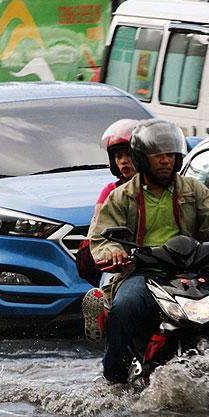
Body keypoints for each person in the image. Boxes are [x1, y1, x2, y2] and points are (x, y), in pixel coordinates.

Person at [88, 118, 209, 384]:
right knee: (125, 306)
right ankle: (113, 373)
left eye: (170, 155)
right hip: (144, 275)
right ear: (143, 158)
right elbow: (101, 238)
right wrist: (113, 251)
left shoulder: (194, 190)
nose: (166, 161)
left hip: (193, 274)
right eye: (159, 156)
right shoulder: (121, 196)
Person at [78, 119, 140, 333]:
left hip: (156, 259)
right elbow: (102, 231)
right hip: (117, 260)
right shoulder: (111, 192)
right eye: (118, 156)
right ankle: (105, 319)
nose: (123, 161)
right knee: (113, 295)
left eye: (128, 155)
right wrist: (116, 251)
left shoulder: (165, 188)